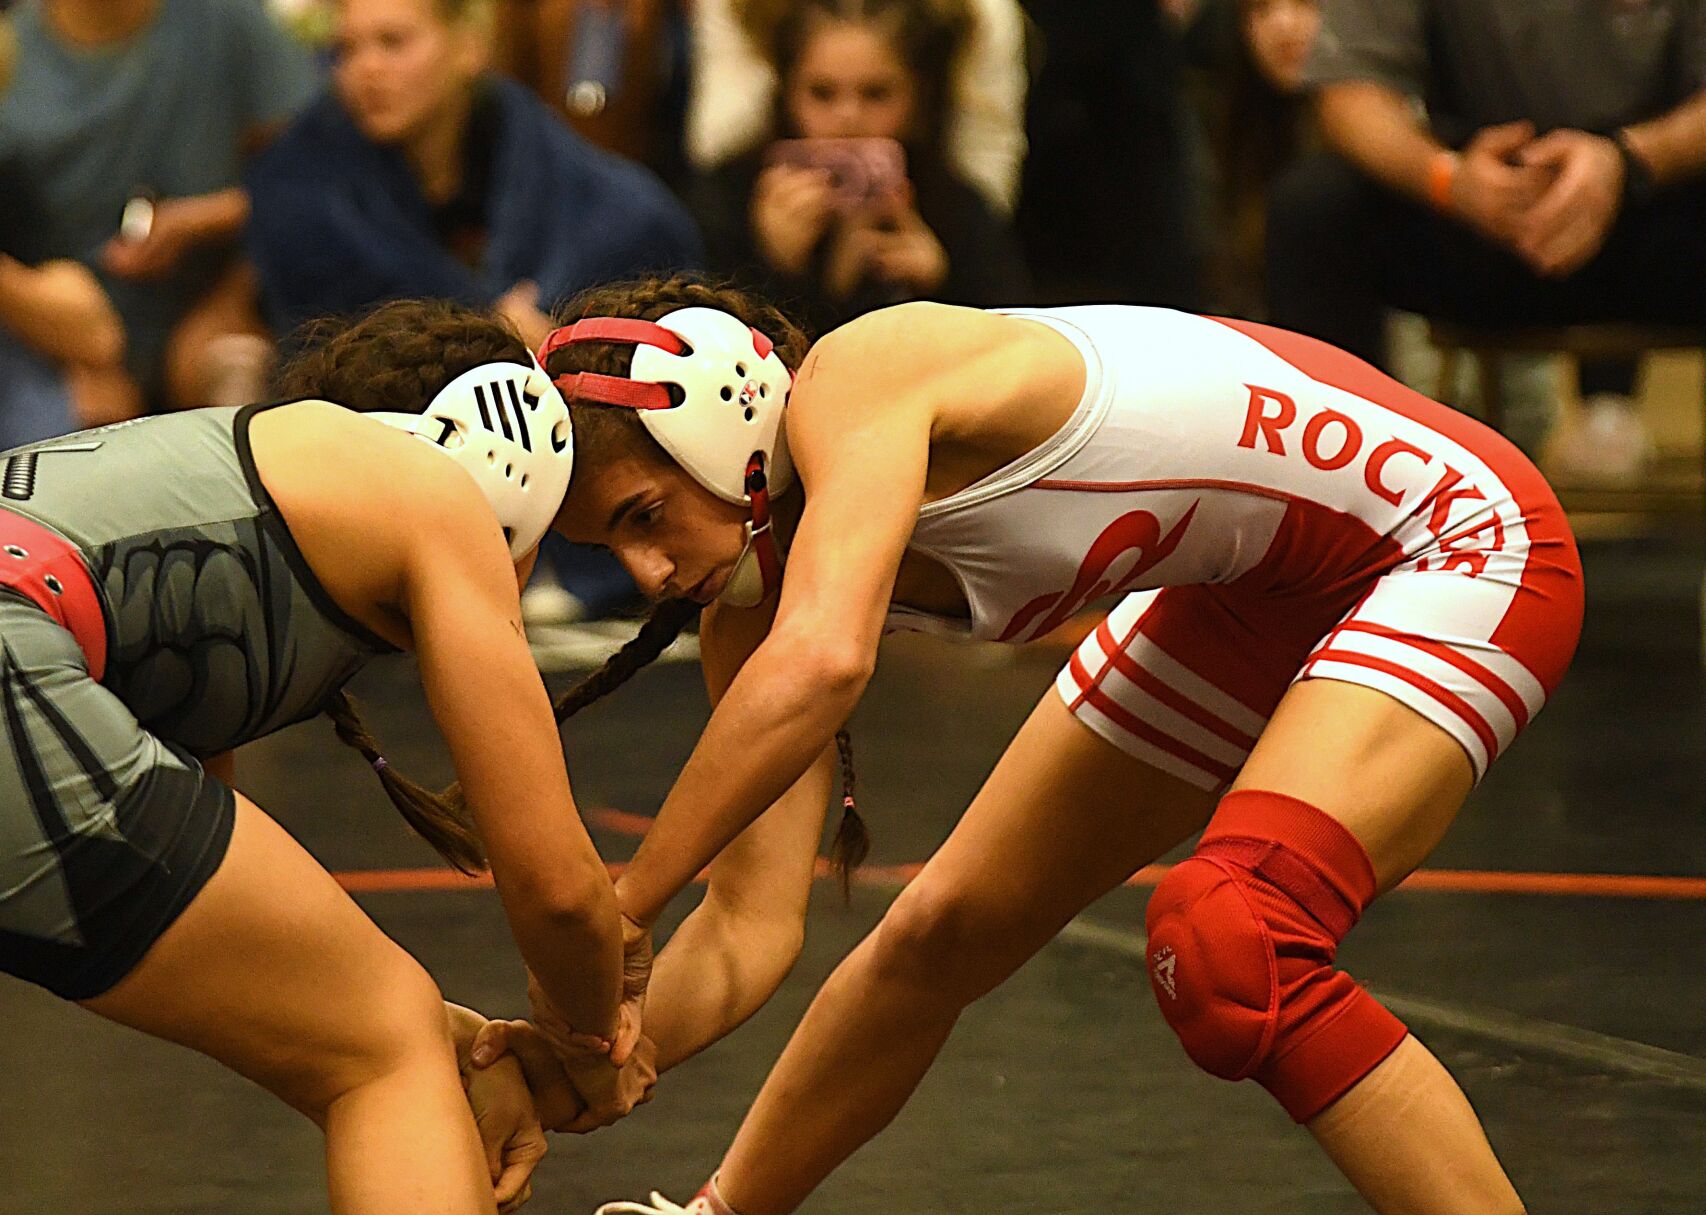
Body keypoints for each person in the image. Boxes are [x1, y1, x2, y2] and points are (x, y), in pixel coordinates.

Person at [475, 273, 1582, 1214]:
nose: (649, 574)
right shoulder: (754, 612)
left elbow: (826, 661)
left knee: (1235, 940)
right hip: (1252, 587)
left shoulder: (864, 375)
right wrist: (559, 1062)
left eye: (645, 515)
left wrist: (622, 907)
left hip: (1452, 535)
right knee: (939, 933)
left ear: (721, 423)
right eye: (611, 547)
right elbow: (747, 927)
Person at [0, 298, 664, 1213]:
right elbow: (556, 888)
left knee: (378, 1030)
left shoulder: (230, 496)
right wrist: (590, 1039)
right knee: (381, 1045)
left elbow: (224, 922)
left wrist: (454, 1050)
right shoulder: (429, 494)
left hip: (30, 656)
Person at [1265, 0, 1706, 485]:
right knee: (1314, 205)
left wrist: (1629, 161)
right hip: (1470, 212)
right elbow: (1350, 89)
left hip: (1657, 202)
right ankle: (1342, 494)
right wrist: (1446, 179)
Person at [244, 0, 702, 351]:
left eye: (393, 42)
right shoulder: (302, 192)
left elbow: (641, 237)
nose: (366, 68)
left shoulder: (605, 202)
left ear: (468, 47)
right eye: (345, 50)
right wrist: (494, 328)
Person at [0, 0, 316, 414]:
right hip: (61, 314)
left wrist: (212, 242)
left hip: (219, 289)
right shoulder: (12, 51)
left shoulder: (224, 23)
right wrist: (66, 349)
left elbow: (317, 175)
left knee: (234, 381)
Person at [685, 0, 1030, 336]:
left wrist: (942, 289)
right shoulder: (731, 198)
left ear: (919, 97)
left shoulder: (958, 209)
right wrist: (775, 266)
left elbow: (1021, 344)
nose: (847, 117)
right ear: (787, 92)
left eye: (876, 93)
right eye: (822, 93)